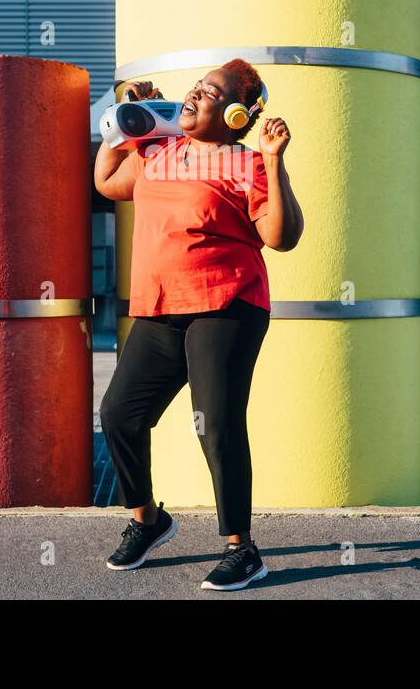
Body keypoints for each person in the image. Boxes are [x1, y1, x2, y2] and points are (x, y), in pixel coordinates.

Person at [93, 58, 304, 591]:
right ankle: (148, 520)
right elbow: (107, 182)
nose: (193, 95)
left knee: (215, 423)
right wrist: (127, 116)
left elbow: (282, 236)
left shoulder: (248, 164)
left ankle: (242, 548)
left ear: (235, 115)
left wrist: (275, 163)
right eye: (195, 87)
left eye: (208, 92)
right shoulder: (158, 152)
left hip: (227, 305)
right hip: (162, 307)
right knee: (119, 414)